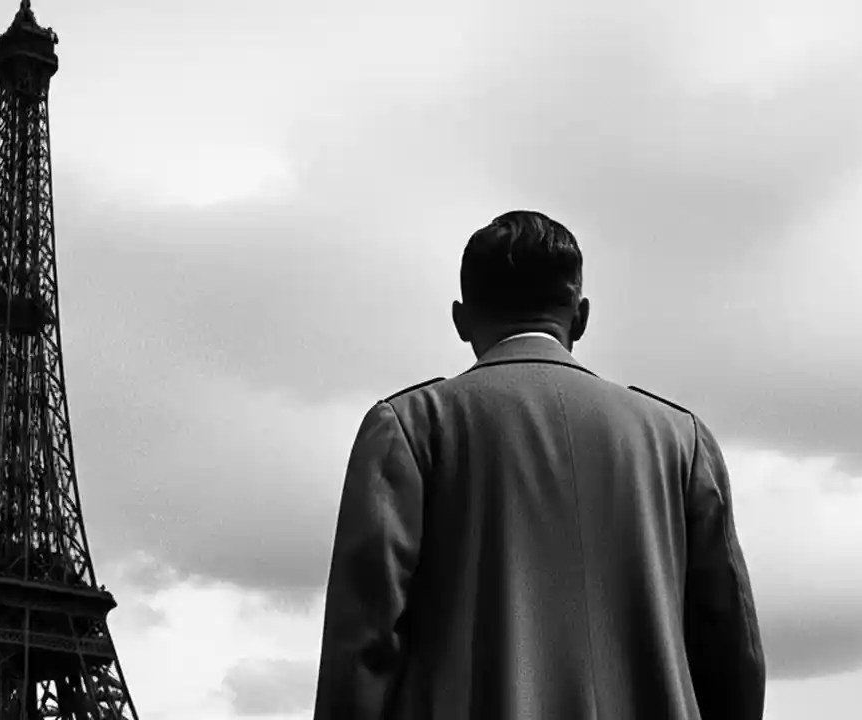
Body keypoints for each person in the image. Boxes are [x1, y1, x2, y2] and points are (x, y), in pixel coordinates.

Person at [313, 210, 766, 719]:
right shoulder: (680, 439)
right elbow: (732, 651)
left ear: (461, 320)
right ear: (581, 314)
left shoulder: (410, 427)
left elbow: (364, 643)